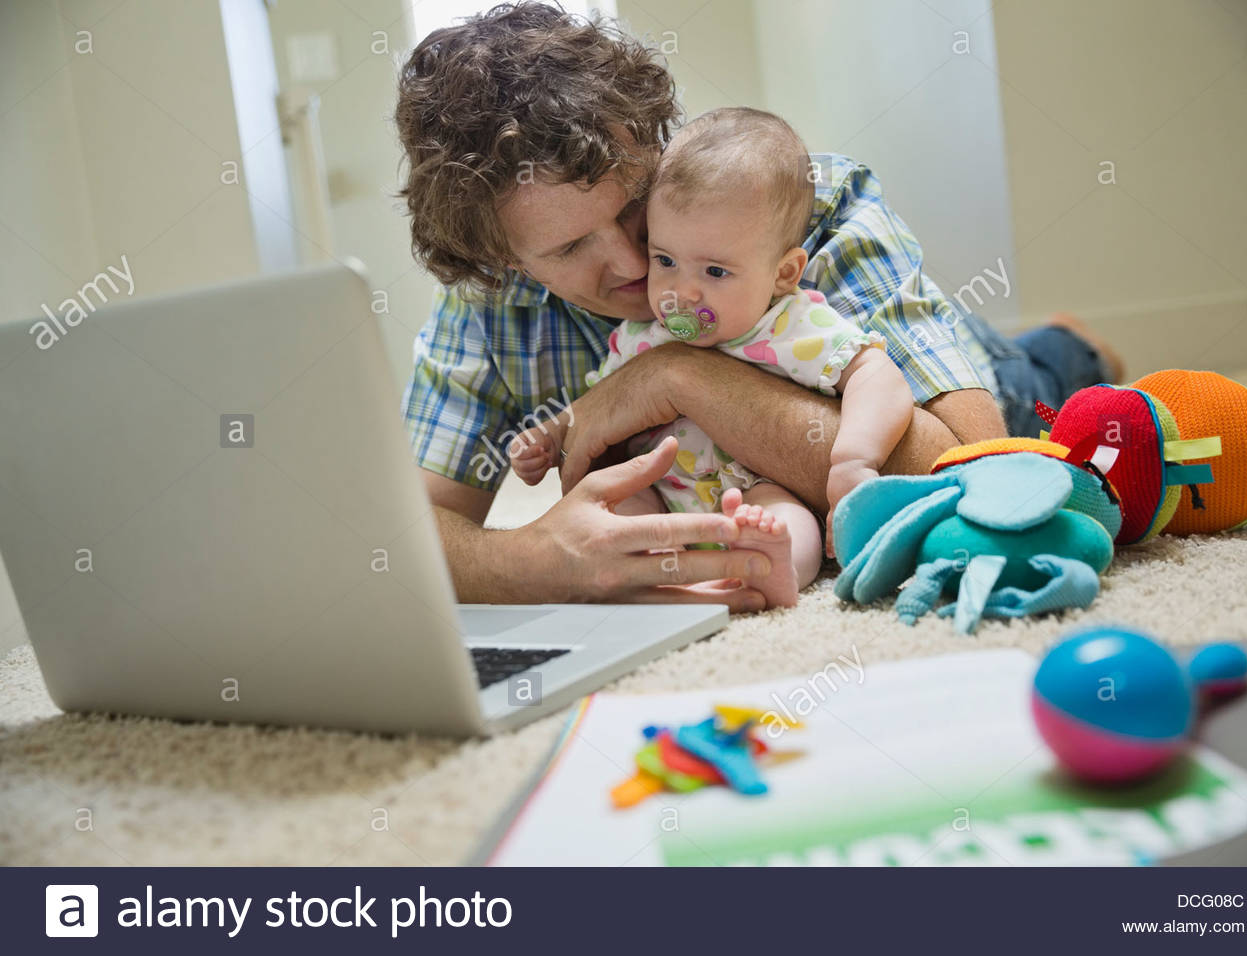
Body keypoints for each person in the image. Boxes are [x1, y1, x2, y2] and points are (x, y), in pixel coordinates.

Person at [393, 2, 1124, 612]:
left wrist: (676, 376)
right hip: (787, 444)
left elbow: (958, 474)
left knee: (1042, 382)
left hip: (983, 379)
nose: (630, 264)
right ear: (503, 261)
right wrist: (532, 559)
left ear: (654, 146)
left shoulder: (811, 202)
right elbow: (410, 537)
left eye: (634, 209)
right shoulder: (487, 298)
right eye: (569, 250)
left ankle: (1067, 342)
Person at [508, 107, 914, 607]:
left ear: (784, 273)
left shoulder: (788, 324)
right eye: (666, 261)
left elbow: (876, 373)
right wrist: (548, 438)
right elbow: (596, 406)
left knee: (784, 519)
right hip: (664, 488)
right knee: (622, 507)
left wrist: (855, 458)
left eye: (716, 272)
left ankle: (770, 567)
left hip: (758, 483)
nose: (683, 292)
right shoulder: (640, 335)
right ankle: (665, 582)